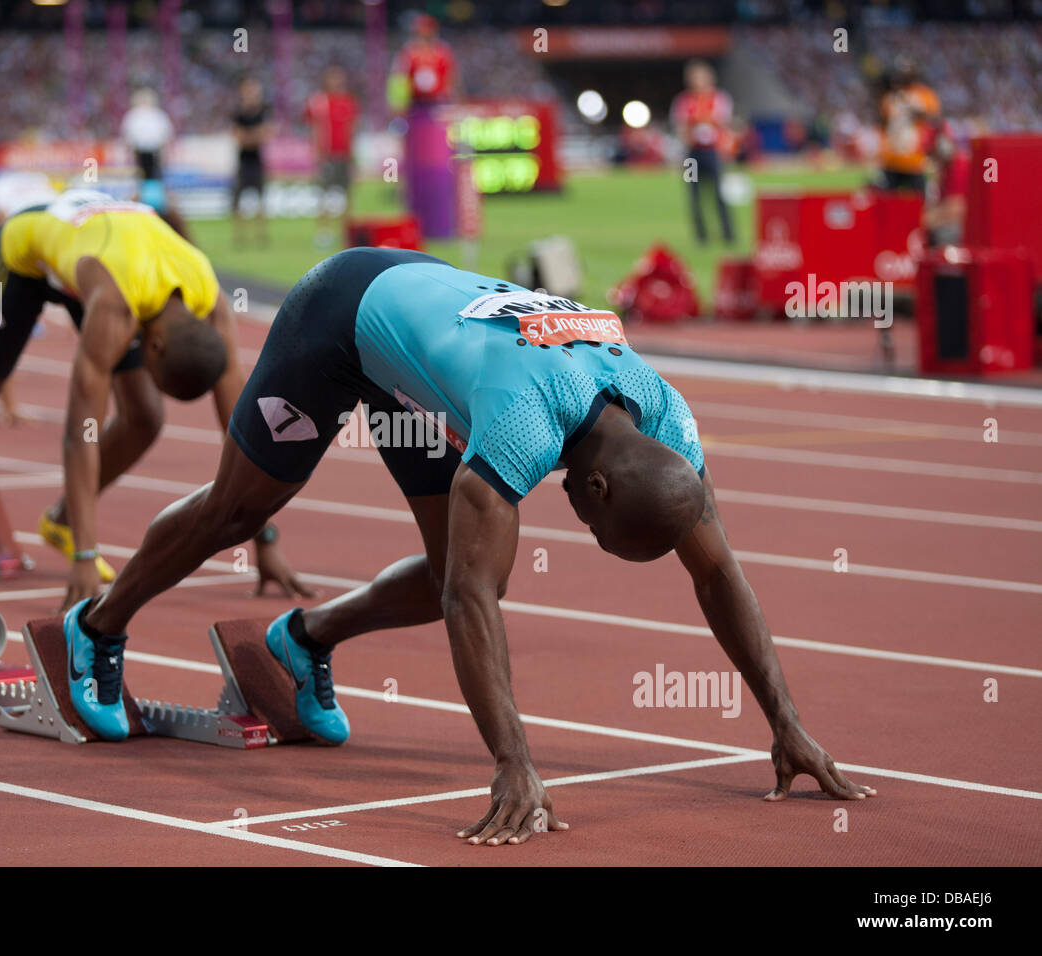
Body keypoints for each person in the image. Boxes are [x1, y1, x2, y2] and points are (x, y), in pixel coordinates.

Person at [68, 248, 876, 846]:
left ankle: (303, 640)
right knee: (238, 513)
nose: (587, 539)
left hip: (430, 356)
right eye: (599, 535)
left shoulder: (668, 421)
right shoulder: (522, 421)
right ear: (593, 490)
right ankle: (98, 625)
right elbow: (471, 600)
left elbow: (719, 573)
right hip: (342, 315)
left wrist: (786, 722)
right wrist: (512, 761)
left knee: (463, 563)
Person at [0, 189, 309, 606]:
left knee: (145, 416)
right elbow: (78, 432)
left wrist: (263, 536)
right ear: (154, 344)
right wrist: (86, 556)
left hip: (102, 258)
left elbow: (241, 433)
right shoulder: (113, 308)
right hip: (26, 252)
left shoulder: (209, 300)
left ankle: (64, 518)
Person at [670, 60, 734, 245]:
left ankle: (727, 233)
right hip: (692, 153)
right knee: (694, 194)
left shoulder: (719, 98)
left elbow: (722, 122)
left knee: (719, 192)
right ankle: (701, 235)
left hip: (712, 151)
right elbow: (680, 126)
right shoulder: (683, 101)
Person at [304, 63, 360, 249]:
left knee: (347, 195)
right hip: (327, 156)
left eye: (339, 77)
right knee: (325, 195)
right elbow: (314, 129)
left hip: (344, 155)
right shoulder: (319, 102)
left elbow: (352, 130)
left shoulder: (349, 102)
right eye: (333, 77)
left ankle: (345, 234)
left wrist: (353, 156)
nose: (336, 81)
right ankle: (323, 234)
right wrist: (317, 154)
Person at [876, 60, 940, 194]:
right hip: (892, 159)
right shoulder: (889, 97)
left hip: (915, 159)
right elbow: (884, 124)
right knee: (888, 200)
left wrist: (914, 110)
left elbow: (934, 119)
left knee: (918, 200)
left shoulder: (924, 94)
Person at [231, 76, 270, 248]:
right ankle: (239, 237)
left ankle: (261, 236)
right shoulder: (239, 114)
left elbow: (264, 136)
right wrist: (254, 136)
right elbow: (240, 139)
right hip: (243, 161)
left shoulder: (262, 113)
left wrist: (250, 136)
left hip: (257, 161)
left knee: (261, 200)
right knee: (239, 200)